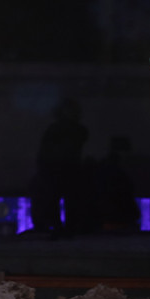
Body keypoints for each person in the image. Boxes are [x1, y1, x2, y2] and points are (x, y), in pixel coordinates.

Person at [30, 99, 87, 235]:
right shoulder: (63, 130)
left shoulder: (73, 130)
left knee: (63, 200)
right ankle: (60, 227)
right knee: (58, 200)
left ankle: (63, 227)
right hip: (58, 170)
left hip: (62, 170)